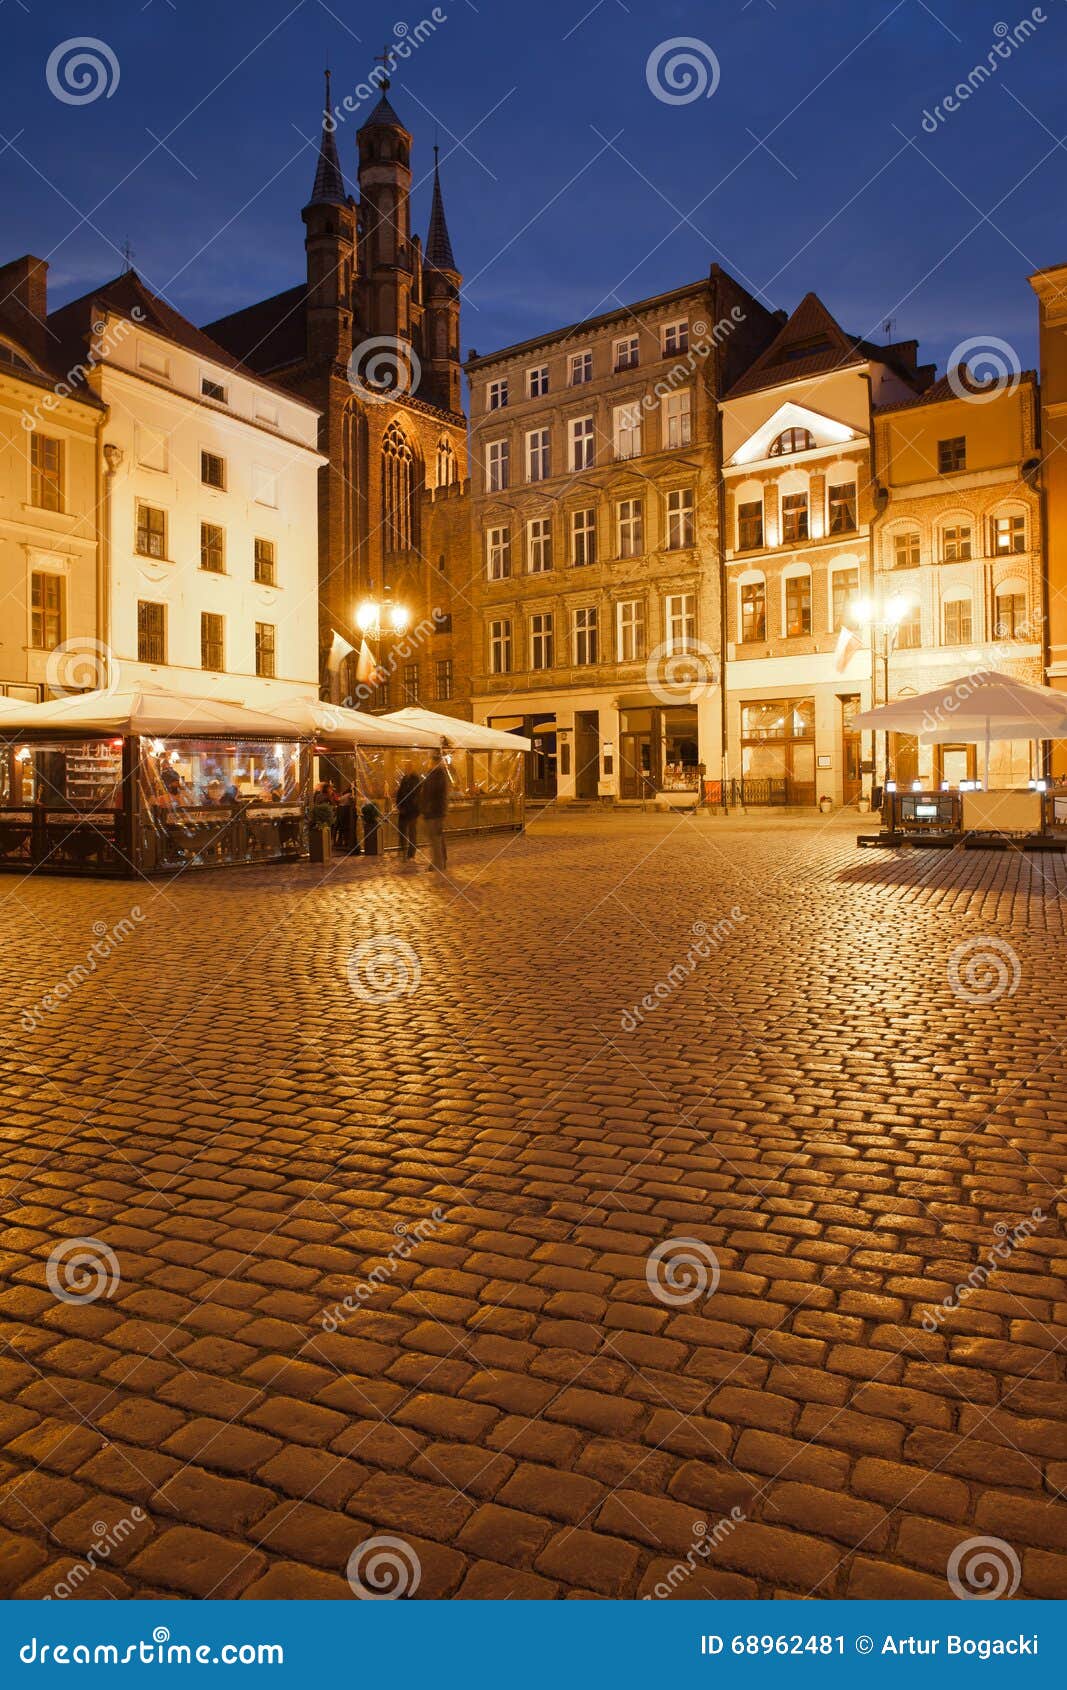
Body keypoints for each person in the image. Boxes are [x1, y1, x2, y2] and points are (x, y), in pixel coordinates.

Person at [419, 746, 450, 874]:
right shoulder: (434, 774)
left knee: (435, 839)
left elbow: (432, 793)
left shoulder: (438, 774)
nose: (429, 763)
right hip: (432, 811)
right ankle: (439, 861)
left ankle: (438, 863)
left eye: (431, 760)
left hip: (435, 812)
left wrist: (426, 805)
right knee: (435, 838)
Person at [395, 764, 421, 867]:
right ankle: (403, 851)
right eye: (406, 768)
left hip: (412, 810)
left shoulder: (416, 780)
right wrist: (399, 804)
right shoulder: (405, 779)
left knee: (412, 832)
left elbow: (416, 795)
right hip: (404, 810)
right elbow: (400, 792)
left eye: (408, 768)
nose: (406, 770)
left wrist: (414, 806)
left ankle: (411, 853)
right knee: (402, 831)